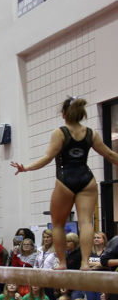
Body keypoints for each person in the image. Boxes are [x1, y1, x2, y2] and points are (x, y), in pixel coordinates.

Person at [12, 97, 118, 270]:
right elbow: (110, 155)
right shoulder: (91, 133)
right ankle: (85, 263)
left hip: (65, 181)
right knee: (86, 223)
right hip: (86, 179)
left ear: (63, 114)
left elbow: (47, 157)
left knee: (58, 224)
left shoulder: (60, 132)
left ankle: (62, 263)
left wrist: (26, 168)